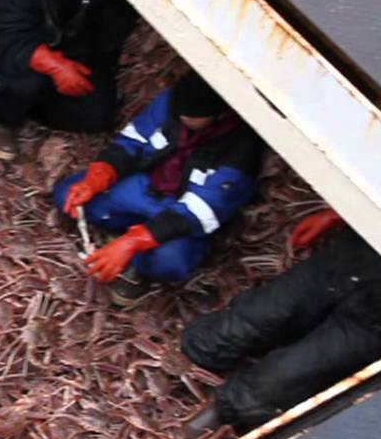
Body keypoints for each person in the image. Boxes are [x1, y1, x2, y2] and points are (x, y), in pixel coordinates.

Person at [180, 209, 381, 433]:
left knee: (274, 387)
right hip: (352, 260)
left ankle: (222, 413)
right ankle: (192, 360)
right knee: (233, 328)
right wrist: (340, 212)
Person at [53, 72, 265, 304]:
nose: (181, 118)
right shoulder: (172, 102)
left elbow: (205, 209)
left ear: (219, 115)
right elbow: (133, 141)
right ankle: (130, 235)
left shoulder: (242, 148)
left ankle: (138, 261)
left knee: (170, 262)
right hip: (144, 186)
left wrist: (133, 241)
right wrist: (98, 177)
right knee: (68, 194)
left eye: (192, 117)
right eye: (179, 113)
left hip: (182, 208)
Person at [0, 0, 136, 160]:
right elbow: (2, 36)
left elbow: (107, 40)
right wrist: (50, 63)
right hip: (30, 50)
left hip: (73, 52)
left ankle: (35, 110)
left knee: (99, 113)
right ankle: (0, 119)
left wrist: (80, 65)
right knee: (24, 82)